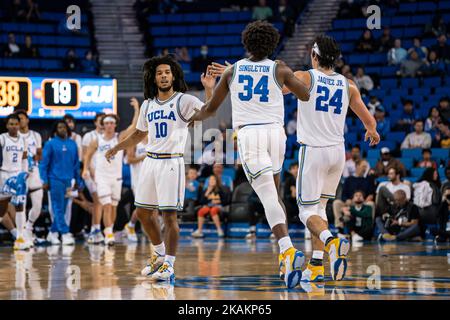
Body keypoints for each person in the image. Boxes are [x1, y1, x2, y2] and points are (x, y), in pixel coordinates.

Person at [190, 21, 311, 288]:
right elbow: (305, 94)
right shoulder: (279, 67)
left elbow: (210, 109)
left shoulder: (232, 71)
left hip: (250, 136)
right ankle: (284, 255)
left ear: (246, 43)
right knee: (274, 194)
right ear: (273, 44)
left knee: (268, 195)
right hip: (276, 135)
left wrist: (207, 94)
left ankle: (288, 249)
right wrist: (287, 79)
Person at [105, 54, 216, 282]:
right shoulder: (147, 104)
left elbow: (207, 113)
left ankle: (170, 265)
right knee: (144, 213)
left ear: (173, 76)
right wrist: (116, 148)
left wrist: (209, 90)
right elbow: (138, 134)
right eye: (159, 73)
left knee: (169, 217)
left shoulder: (183, 100)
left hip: (171, 162)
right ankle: (158, 254)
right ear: (153, 79)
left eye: (167, 72)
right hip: (150, 161)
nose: (163, 76)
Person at [281, 35, 380, 282]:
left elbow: (277, 87)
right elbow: (370, 122)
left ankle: (331, 242)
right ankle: (315, 266)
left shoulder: (305, 76)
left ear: (314, 56)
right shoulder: (349, 85)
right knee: (320, 208)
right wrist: (372, 132)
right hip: (337, 153)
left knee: (305, 212)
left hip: (313, 151)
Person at [83, 110, 139, 245]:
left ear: (115, 125)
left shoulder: (119, 138)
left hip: (116, 177)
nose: (109, 125)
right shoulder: (97, 140)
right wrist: (85, 169)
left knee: (114, 206)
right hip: (102, 177)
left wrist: (136, 110)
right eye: (106, 123)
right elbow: (88, 155)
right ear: (103, 125)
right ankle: (108, 234)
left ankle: (110, 230)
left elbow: (134, 126)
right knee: (106, 205)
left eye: (111, 123)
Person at [39, 120, 82, 246]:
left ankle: (53, 233)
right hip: (55, 179)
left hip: (68, 181)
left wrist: (78, 181)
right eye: (59, 127)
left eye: (64, 127)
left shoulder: (72, 144)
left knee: (63, 209)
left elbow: (76, 165)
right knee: (57, 207)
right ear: (55, 130)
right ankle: (64, 233)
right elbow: (43, 164)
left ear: (67, 129)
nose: (62, 129)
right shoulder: (50, 144)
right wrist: (44, 180)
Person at [0, 114, 30, 250]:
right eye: (11, 124)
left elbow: (24, 158)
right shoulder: (2, 138)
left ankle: (20, 237)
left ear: (19, 125)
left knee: (20, 205)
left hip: (17, 175)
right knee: (2, 210)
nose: (13, 126)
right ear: (7, 126)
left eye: (15, 124)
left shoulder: (23, 140)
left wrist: (24, 173)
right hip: (4, 175)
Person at [15, 110, 43, 246]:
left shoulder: (36, 135)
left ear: (27, 120)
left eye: (22, 118)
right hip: (20, 172)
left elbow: (39, 153)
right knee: (22, 205)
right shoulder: (14, 136)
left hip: (34, 172)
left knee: (37, 205)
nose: (20, 121)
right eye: (18, 119)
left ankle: (29, 227)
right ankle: (22, 235)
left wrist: (34, 160)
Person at [123, 100, 148, 242]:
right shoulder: (134, 139)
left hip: (150, 175)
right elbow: (129, 159)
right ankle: (131, 225)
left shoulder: (151, 139)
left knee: (153, 206)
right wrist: (144, 156)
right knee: (141, 206)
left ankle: (148, 231)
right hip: (137, 178)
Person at [81, 112, 104, 239]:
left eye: (104, 120)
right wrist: (92, 172)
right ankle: (95, 230)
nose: (102, 123)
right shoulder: (88, 136)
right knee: (98, 200)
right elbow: (85, 156)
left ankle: (95, 229)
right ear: (95, 122)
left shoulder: (109, 137)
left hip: (105, 174)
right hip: (90, 173)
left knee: (101, 202)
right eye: (100, 120)